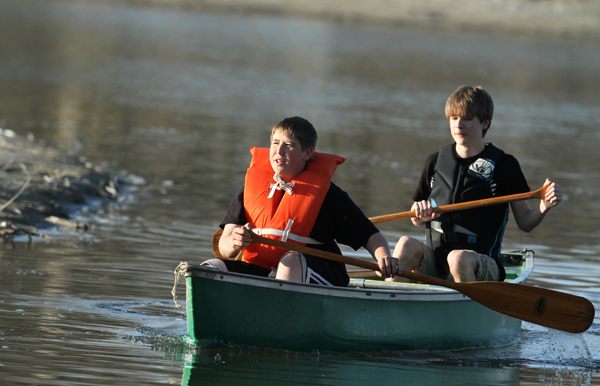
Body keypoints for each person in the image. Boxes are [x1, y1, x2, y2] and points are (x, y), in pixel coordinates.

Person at [203, 116, 401, 286]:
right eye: (275, 143)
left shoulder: (328, 195)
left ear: (307, 153)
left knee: (289, 262)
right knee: (210, 268)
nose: (279, 151)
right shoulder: (248, 190)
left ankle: (279, 322)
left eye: (289, 145)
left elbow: (370, 235)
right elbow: (224, 246)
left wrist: (384, 257)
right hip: (263, 270)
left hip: (321, 273)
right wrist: (235, 242)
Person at [393, 85, 562, 283]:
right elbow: (415, 218)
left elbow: (525, 222)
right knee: (405, 244)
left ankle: (464, 306)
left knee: (458, 259)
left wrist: (544, 206)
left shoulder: (505, 165)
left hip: (483, 264)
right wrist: (419, 214)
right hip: (437, 263)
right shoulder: (434, 162)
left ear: (485, 123)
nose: (458, 125)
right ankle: (391, 301)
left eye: (467, 118)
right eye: (454, 118)